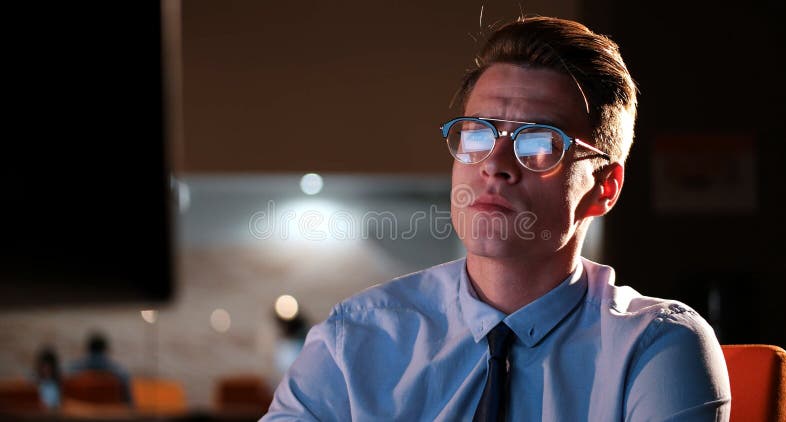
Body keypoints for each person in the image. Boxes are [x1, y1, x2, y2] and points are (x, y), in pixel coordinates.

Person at [264, 16, 731, 421]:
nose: (494, 163)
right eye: (477, 133)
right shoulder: (353, 338)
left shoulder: (654, 347)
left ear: (604, 187)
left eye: (539, 141)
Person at [68, 332, 132, 405]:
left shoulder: (77, 367)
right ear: (105, 349)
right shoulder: (118, 371)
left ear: (88, 349)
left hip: (80, 408)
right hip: (110, 409)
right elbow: (127, 399)